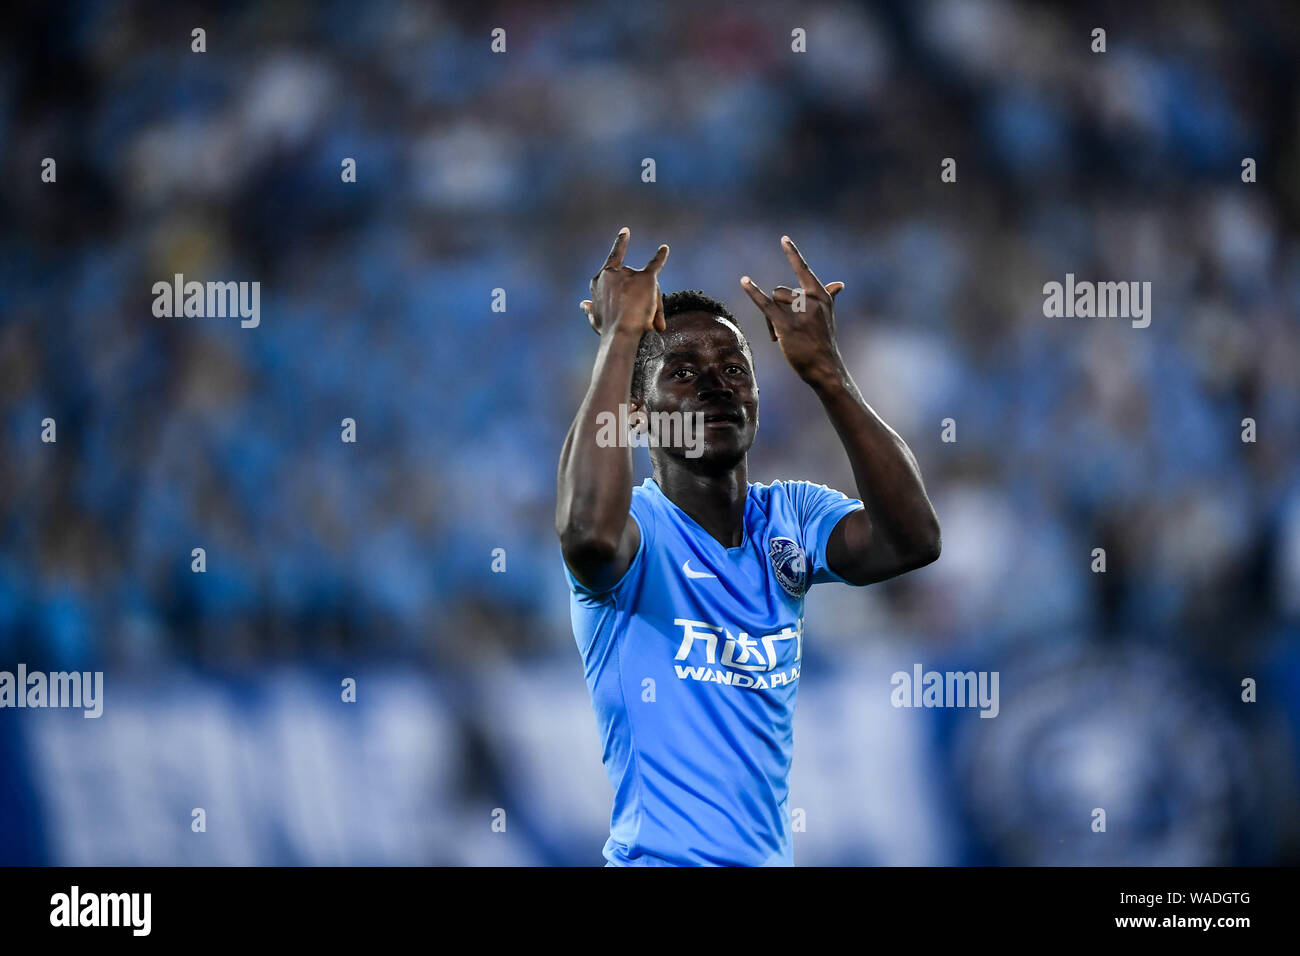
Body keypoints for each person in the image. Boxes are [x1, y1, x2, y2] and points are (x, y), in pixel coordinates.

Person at [556, 227, 941, 866]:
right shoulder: (635, 533)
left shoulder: (791, 515)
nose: (717, 386)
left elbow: (913, 539)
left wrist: (829, 375)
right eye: (682, 373)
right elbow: (588, 535)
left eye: (734, 368)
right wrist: (620, 338)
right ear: (639, 413)